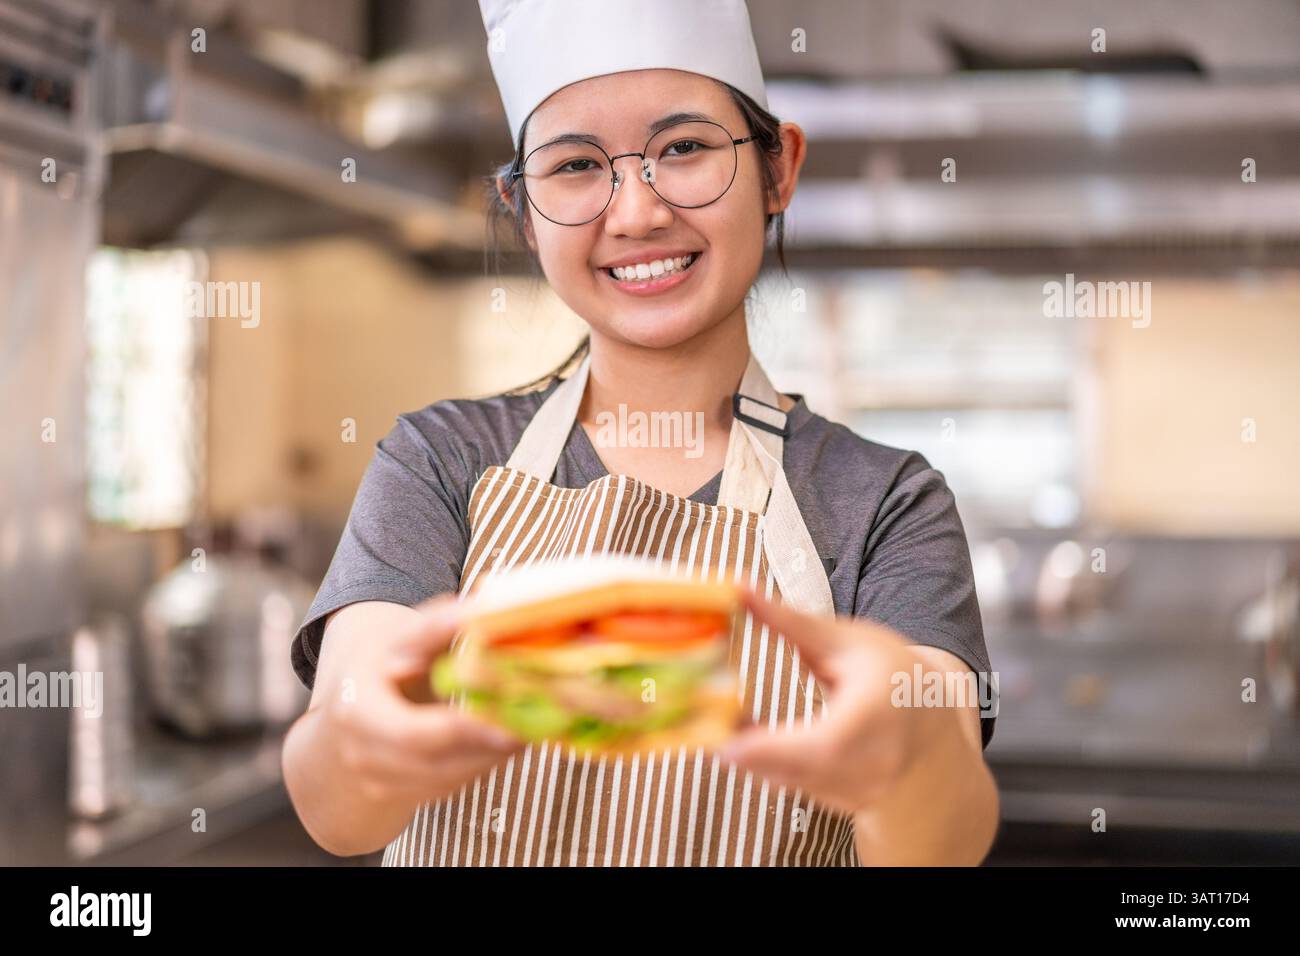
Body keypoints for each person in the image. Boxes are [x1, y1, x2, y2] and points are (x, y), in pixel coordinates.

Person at [282, 0, 998, 866]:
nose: (636, 214)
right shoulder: (438, 462)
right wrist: (364, 740)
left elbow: (941, 843)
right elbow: (336, 806)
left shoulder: (885, 503)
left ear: (779, 169)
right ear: (523, 206)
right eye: (577, 165)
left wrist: (910, 760)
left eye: (685, 148)